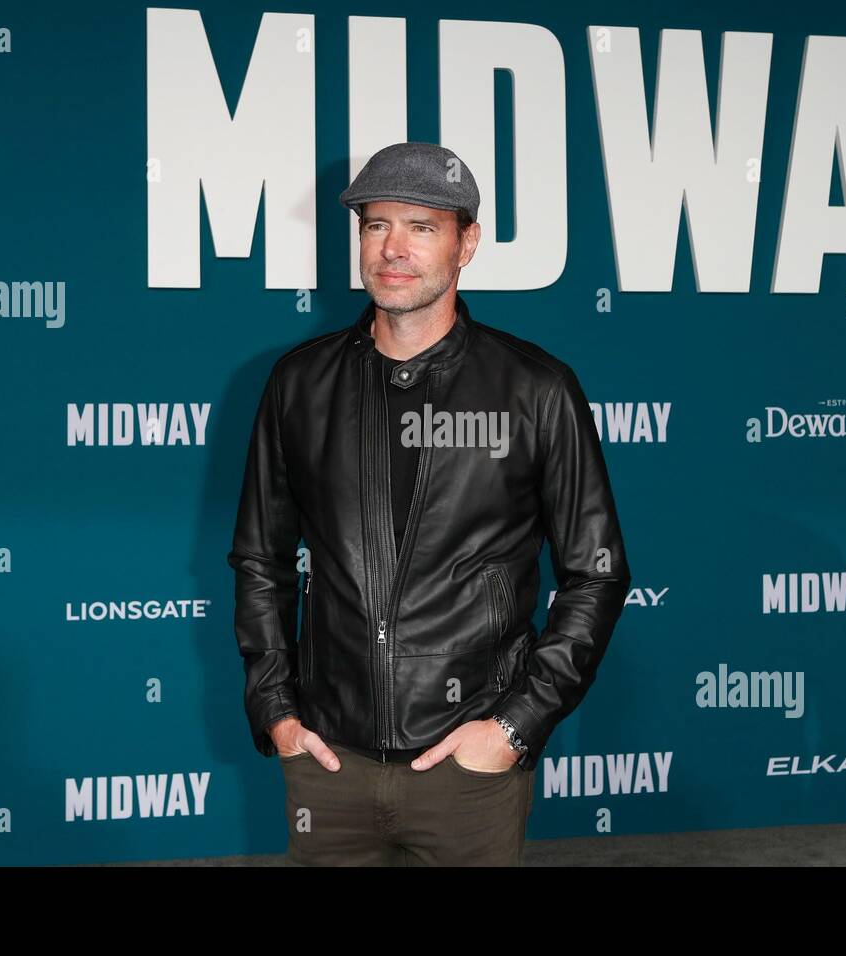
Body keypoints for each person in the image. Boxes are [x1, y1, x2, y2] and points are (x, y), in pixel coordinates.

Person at [227, 141, 631, 865]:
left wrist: (514, 727)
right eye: (377, 225)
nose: (394, 248)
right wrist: (277, 712)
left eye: (422, 226)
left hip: (466, 770)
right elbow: (260, 559)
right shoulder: (299, 384)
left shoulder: (535, 390)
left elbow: (595, 573)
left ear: (466, 243)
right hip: (329, 765)